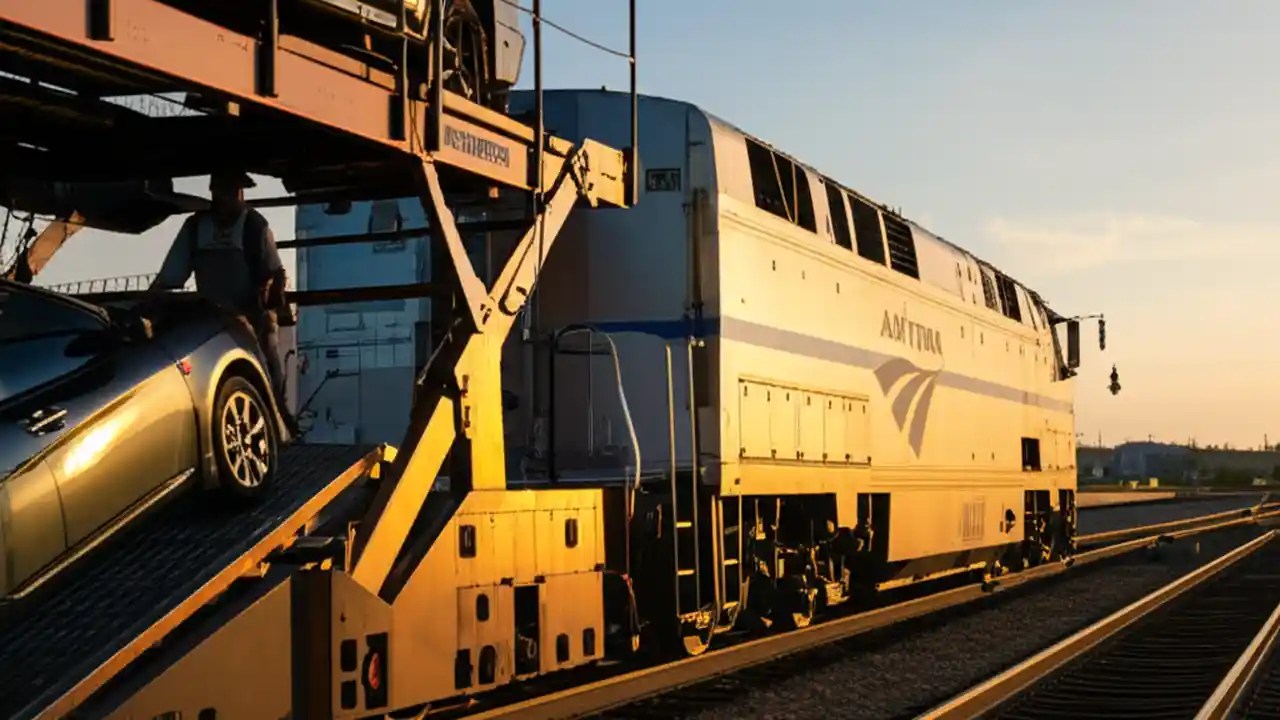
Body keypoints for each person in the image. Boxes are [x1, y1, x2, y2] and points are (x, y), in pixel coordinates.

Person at [150, 170, 297, 433]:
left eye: (230, 192)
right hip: (211, 319)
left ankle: (278, 421)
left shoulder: (254, 226)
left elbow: (275, 272)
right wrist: (151, 303)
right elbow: (171, 276)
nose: (225, 198)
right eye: (221, 191)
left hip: (253, 317)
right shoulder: (196, 228)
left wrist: (270, 297)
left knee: (270, 371)